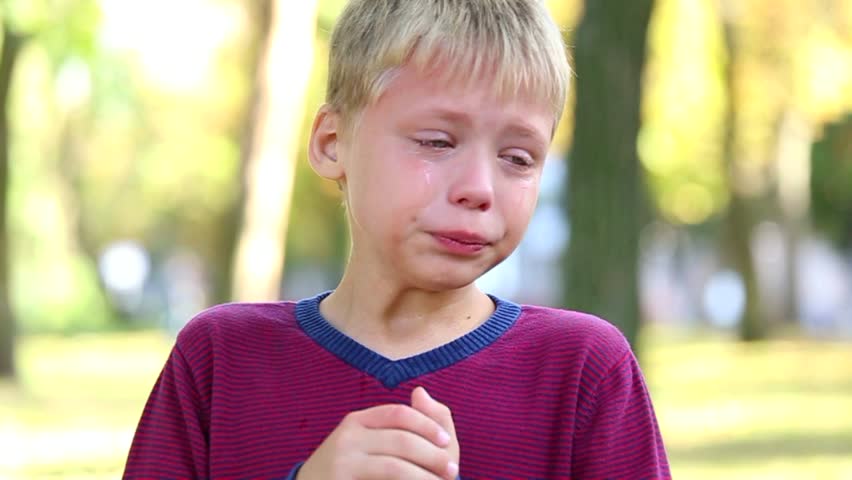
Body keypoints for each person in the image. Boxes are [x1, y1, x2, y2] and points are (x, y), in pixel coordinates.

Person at [123, 0, 671, 478]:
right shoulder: (221, 362)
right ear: (333, 142)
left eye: (517, 158)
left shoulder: (583, 373)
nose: (479, 188)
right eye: (436, 142)